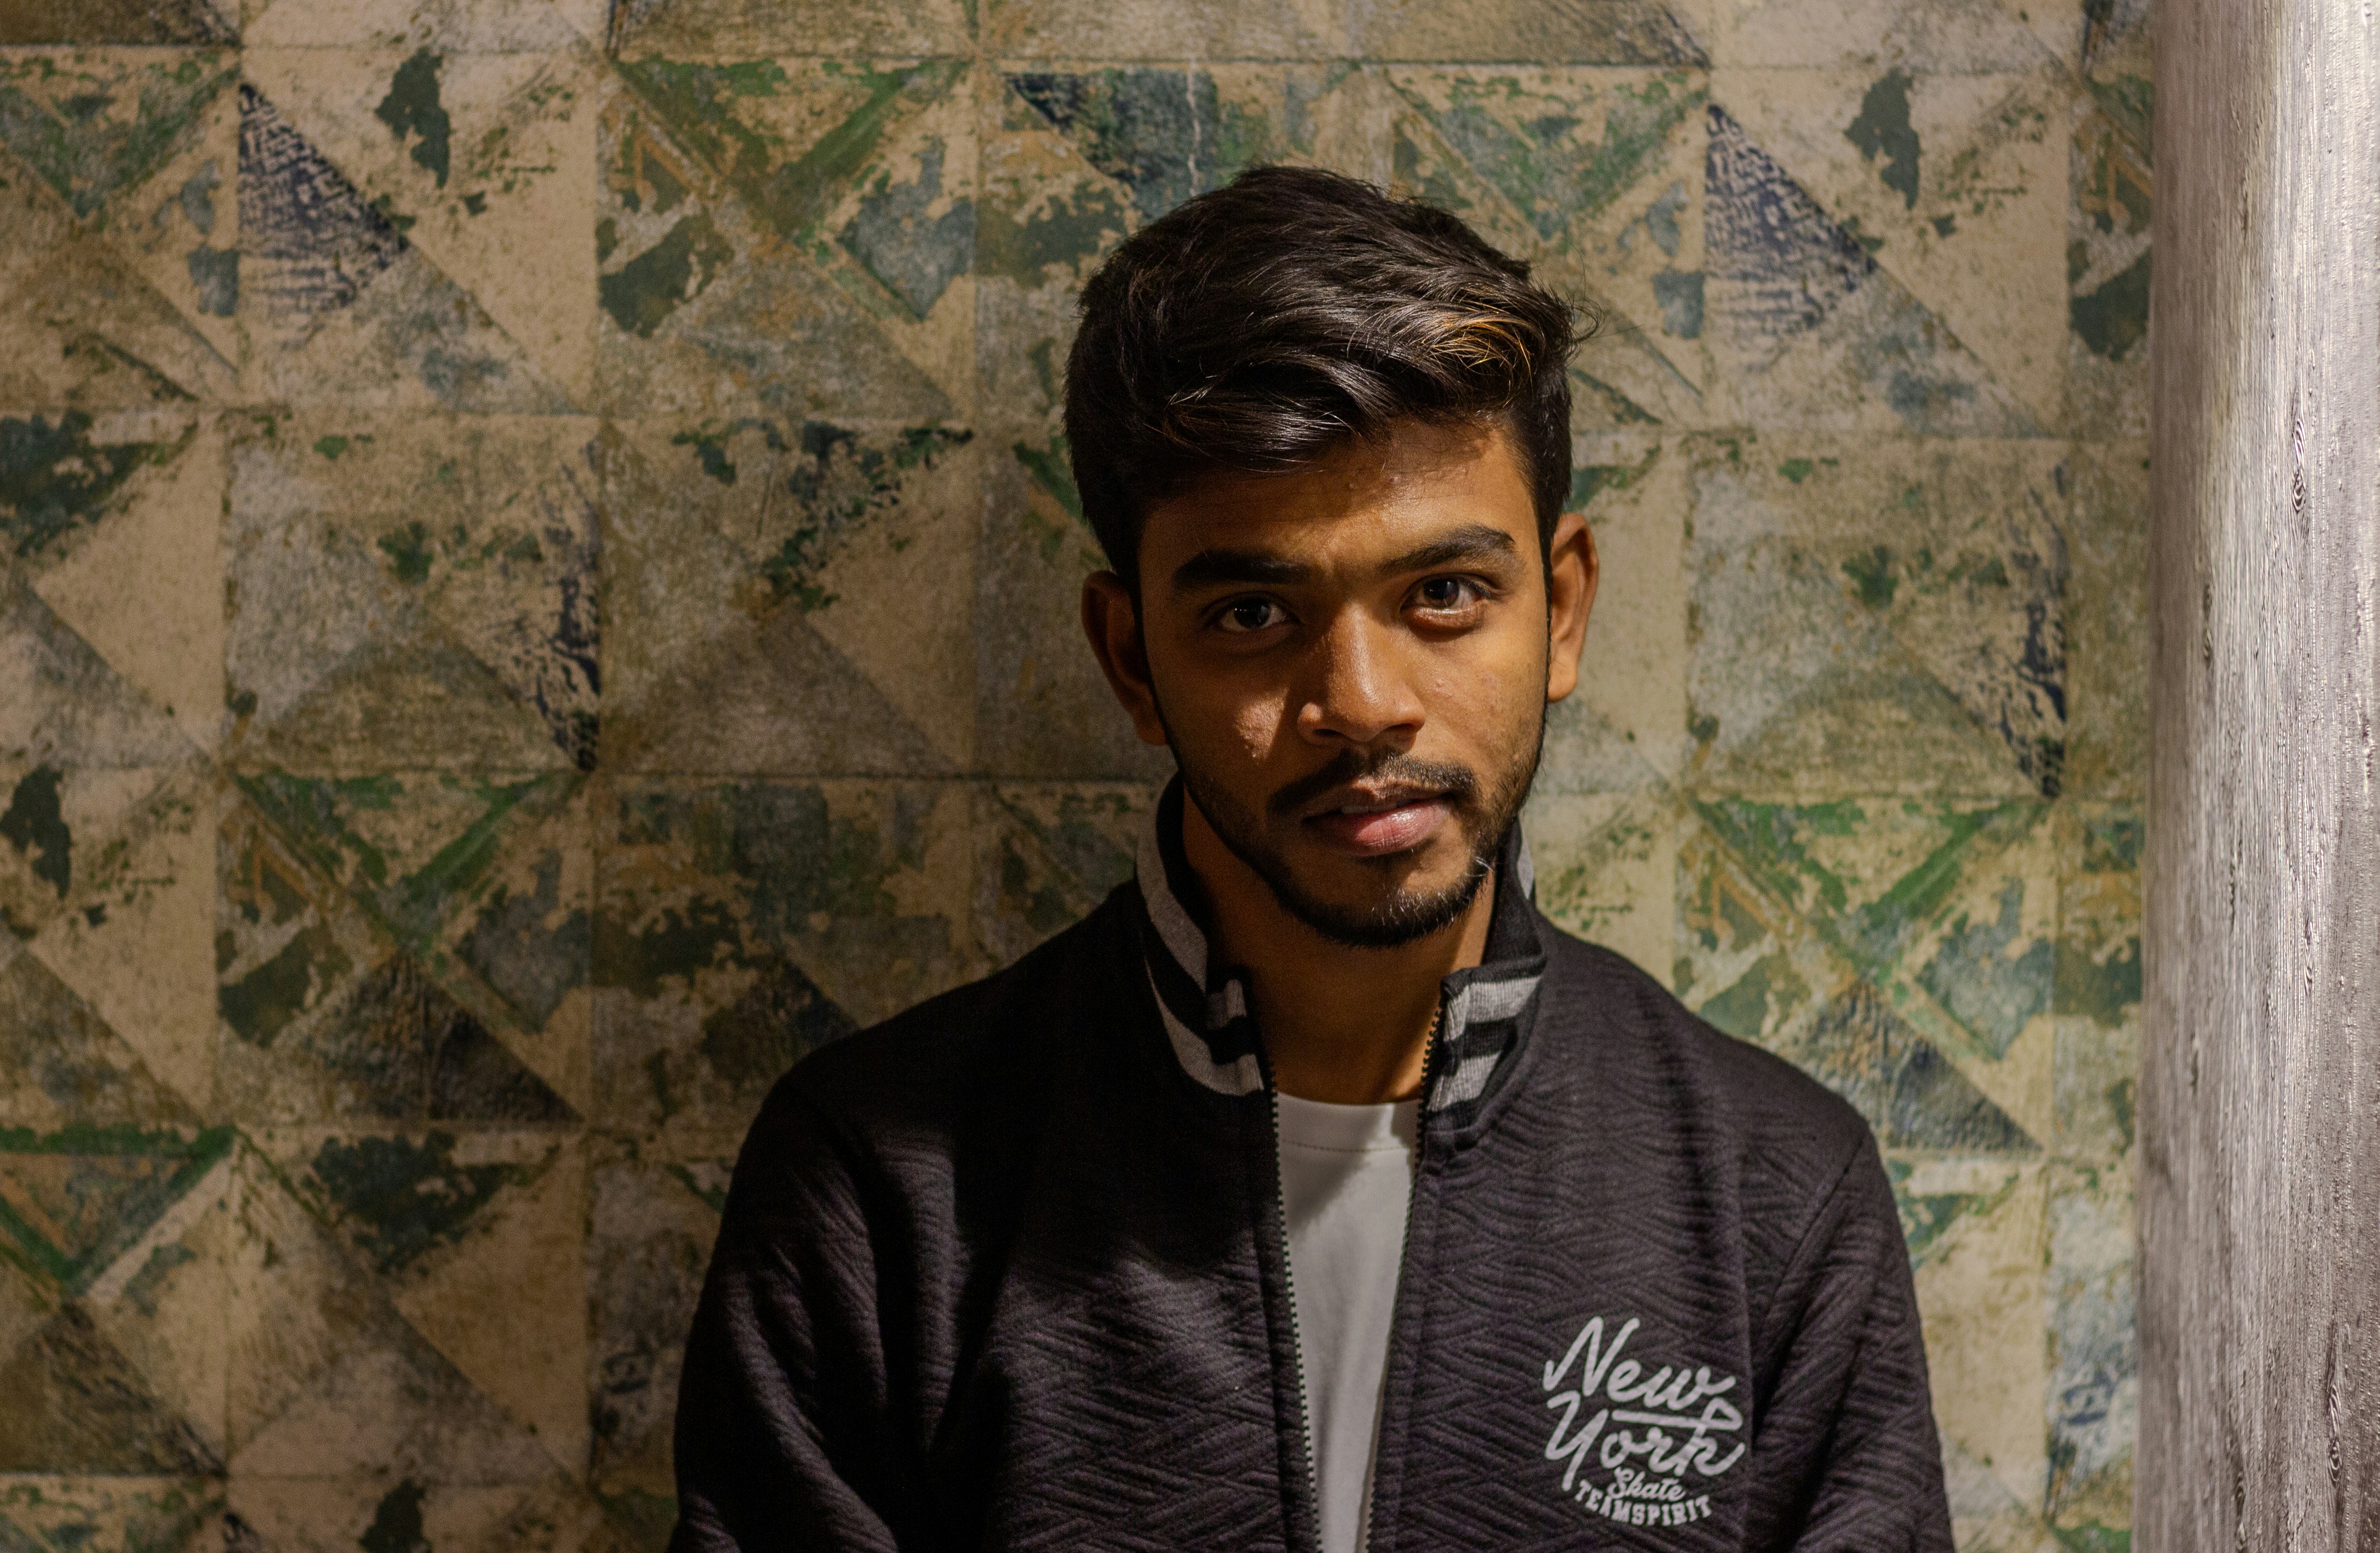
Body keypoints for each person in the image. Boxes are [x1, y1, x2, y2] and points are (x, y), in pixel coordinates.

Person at [667, 165, 1953, 1553]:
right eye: (1255, 611)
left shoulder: (1774, 1194)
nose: (1362, 699)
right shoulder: (883, 1188)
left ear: (1564, 609)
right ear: (1131, 656)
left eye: (1444, 595)